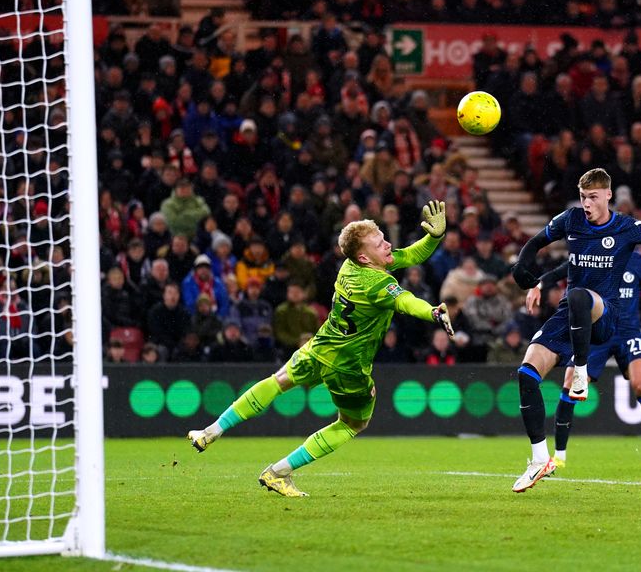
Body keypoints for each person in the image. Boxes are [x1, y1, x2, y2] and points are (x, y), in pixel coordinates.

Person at [187, 202, 455, 497]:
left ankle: (211, 431)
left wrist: (433, 237)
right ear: (365, 256)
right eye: (381, 243)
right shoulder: (379, 283)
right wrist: (432, 312)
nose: (388, 244)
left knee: (278, 382)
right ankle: (278, 472)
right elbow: (405, 301)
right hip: (348, 365)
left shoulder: (350, 266)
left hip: (319, 346)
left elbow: (410, 255)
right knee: (353, 424)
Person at [509, 168, 641, 492]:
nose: (587, 204)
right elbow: (536, 242)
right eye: (583, 197)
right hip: (569, 315)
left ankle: (582, 373)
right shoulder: (572, 219)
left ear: (608, 195)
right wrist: (523, 267)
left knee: (580, 296)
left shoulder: (625, 226)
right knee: (526, 374)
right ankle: (540, 459)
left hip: (606, 315)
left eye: (593, 197)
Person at [528, 251, 641, 470]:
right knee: (570, 384)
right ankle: (559, 456)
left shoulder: (640, 263)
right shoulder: (592, 256)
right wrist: (537, 285)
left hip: (628, 333)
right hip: (597, 332)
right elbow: (559, 272)